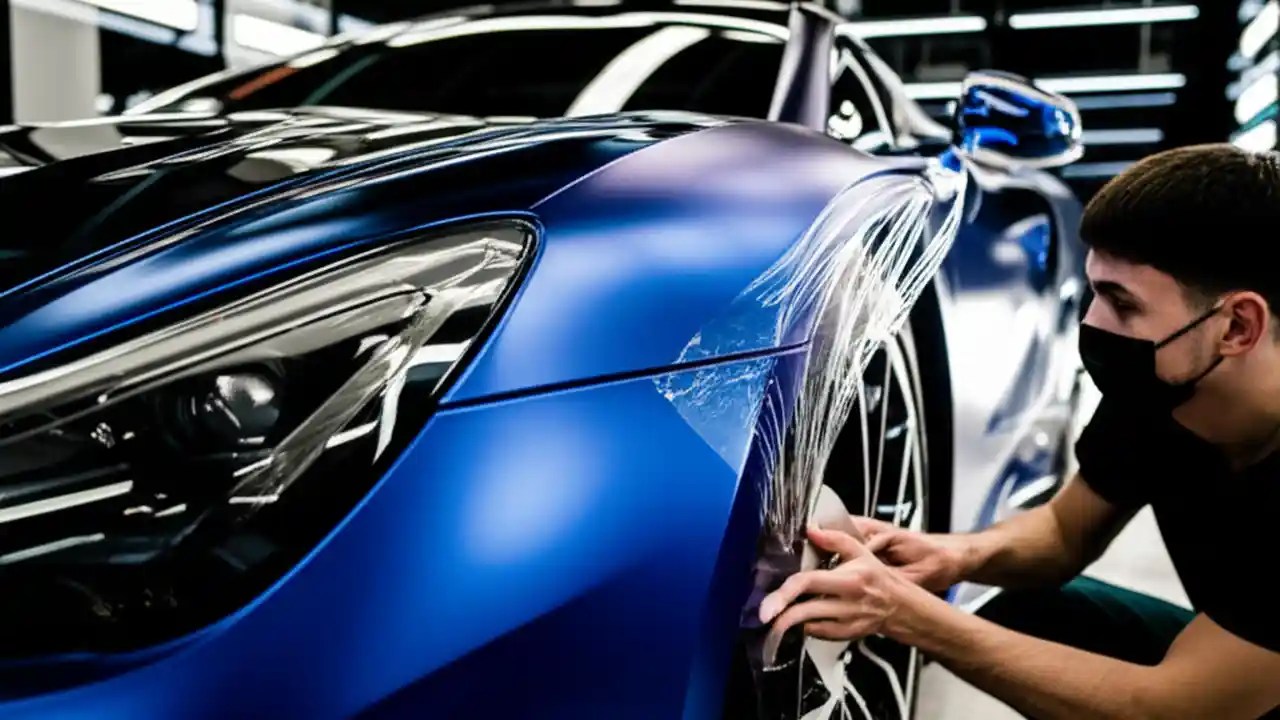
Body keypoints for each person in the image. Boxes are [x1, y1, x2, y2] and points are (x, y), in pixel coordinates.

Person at [758, 143, 1280, 720]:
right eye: (1093, 291)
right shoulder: (1163, 388)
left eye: (1122, 304)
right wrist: (951, 555)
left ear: (1238, 325)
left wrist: (903, 613)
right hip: (1239, 656)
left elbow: (1170, 708)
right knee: (1022, 614)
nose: (1092, 324)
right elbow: (1062, 533)